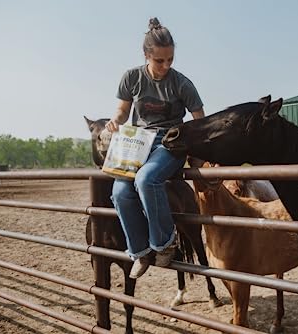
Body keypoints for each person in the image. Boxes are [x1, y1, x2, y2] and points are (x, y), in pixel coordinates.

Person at [105, 17, 205, 279]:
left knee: (147, 178)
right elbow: (122, 110)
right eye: (160, 60)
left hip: (170, 142)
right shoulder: (132, 77)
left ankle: (165, 243)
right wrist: (114, 121)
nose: (166, 65)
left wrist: (201, 155)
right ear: (146, 55)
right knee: (119, 191)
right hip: (137, 144)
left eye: (170, 59)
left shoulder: (182, 83)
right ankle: (140, 251)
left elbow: (200, 121)